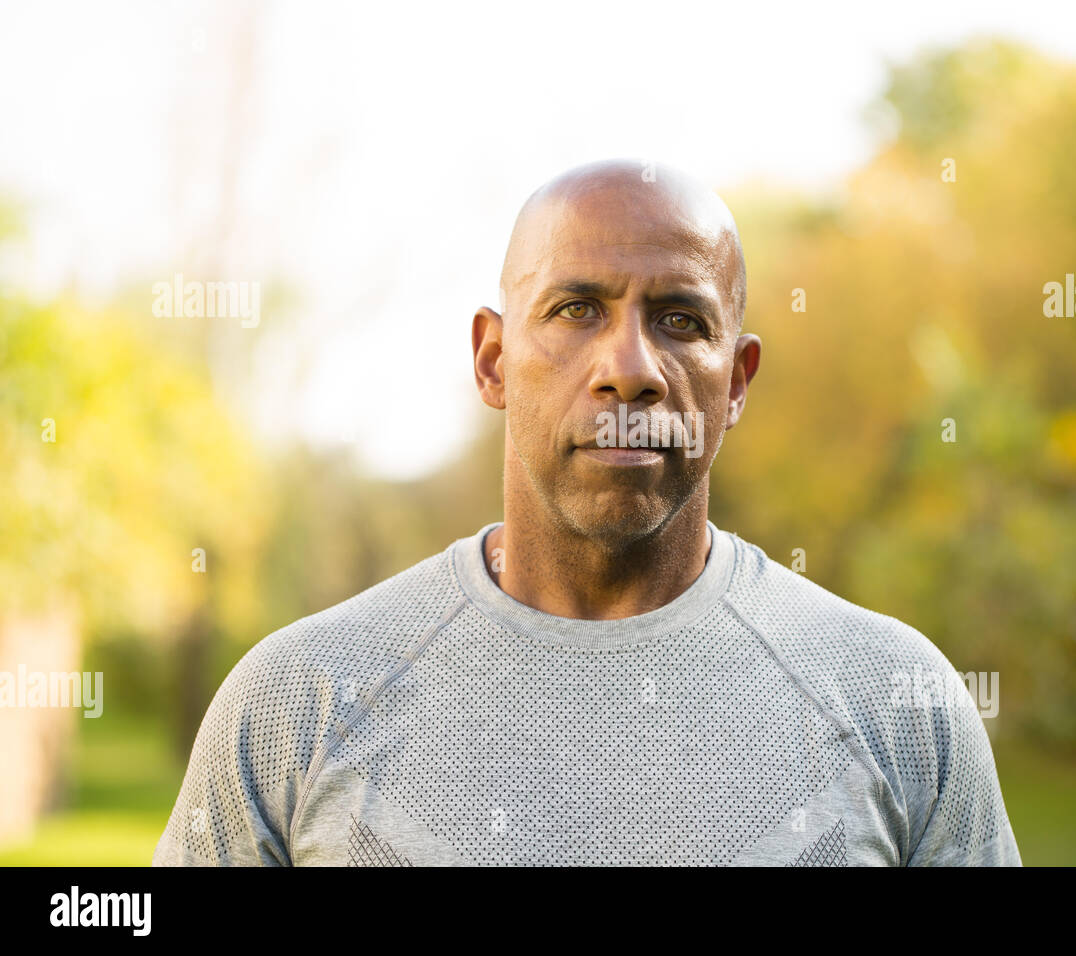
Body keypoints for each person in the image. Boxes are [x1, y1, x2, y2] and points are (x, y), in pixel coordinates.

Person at [153, 159, 1021, 866]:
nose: (630, 367)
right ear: (493, 361)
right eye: (576, 310)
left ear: (737, 382)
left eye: (681, 319)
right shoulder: (296, 701)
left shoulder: (898, 704)